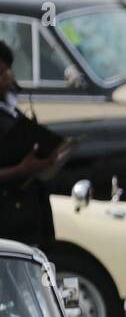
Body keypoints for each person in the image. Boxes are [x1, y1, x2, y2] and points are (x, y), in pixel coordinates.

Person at [0, 43, 63, 247]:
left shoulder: (11, 108)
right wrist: (20, 170)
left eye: (6, 71)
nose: (5, 78)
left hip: (29, 214)